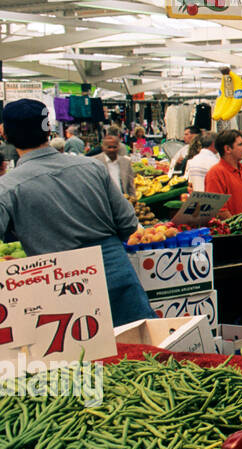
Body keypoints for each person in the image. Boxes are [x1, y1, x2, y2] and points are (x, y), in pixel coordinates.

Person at [0, 100, 152, 324]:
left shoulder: (8, 187)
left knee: (84, 357)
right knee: (140, 351)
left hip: (63, 290)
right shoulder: (92, 167)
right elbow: (128, 223)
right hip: (115, 276)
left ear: (5, 134)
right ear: (49, 129)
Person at [205, 129, 242, 214]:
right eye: (240, 144)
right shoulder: (215, 173)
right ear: (227, 149)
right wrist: (237, 226)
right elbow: (218, 209)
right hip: (233, 226)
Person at [93, 128, 133, 197]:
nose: (112, 150)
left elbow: (131, 186)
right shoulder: (95, 162)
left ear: (119, 147)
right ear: (103, 148)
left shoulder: (126, 162)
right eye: (109, 147)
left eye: (115, 147)